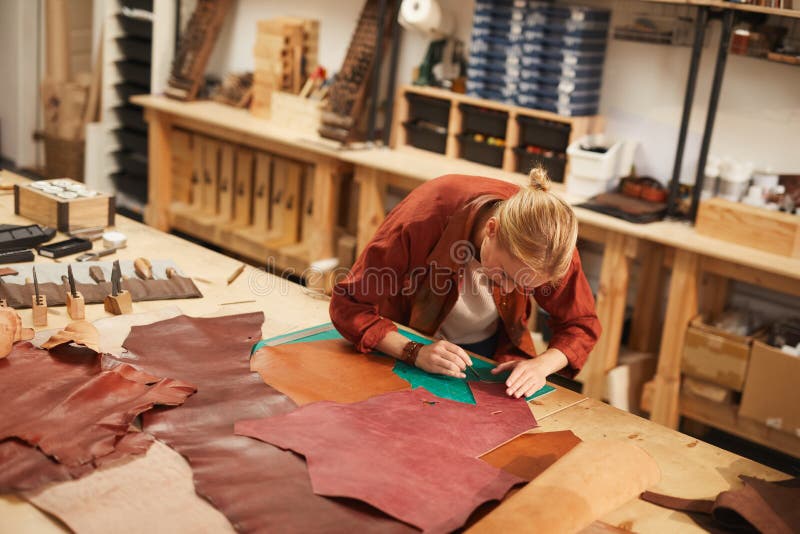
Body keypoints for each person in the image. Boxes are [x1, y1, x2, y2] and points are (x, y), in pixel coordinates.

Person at [329, 170, 601, 399]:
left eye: (525, 287)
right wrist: (414, 351)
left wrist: (541, 365)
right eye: (505, 275)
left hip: (488, 351)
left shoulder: (551, 250)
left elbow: (581, 324)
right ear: (492, 230)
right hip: (405, 338)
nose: (509, 290)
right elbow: (349, 305)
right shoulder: (426, 215)